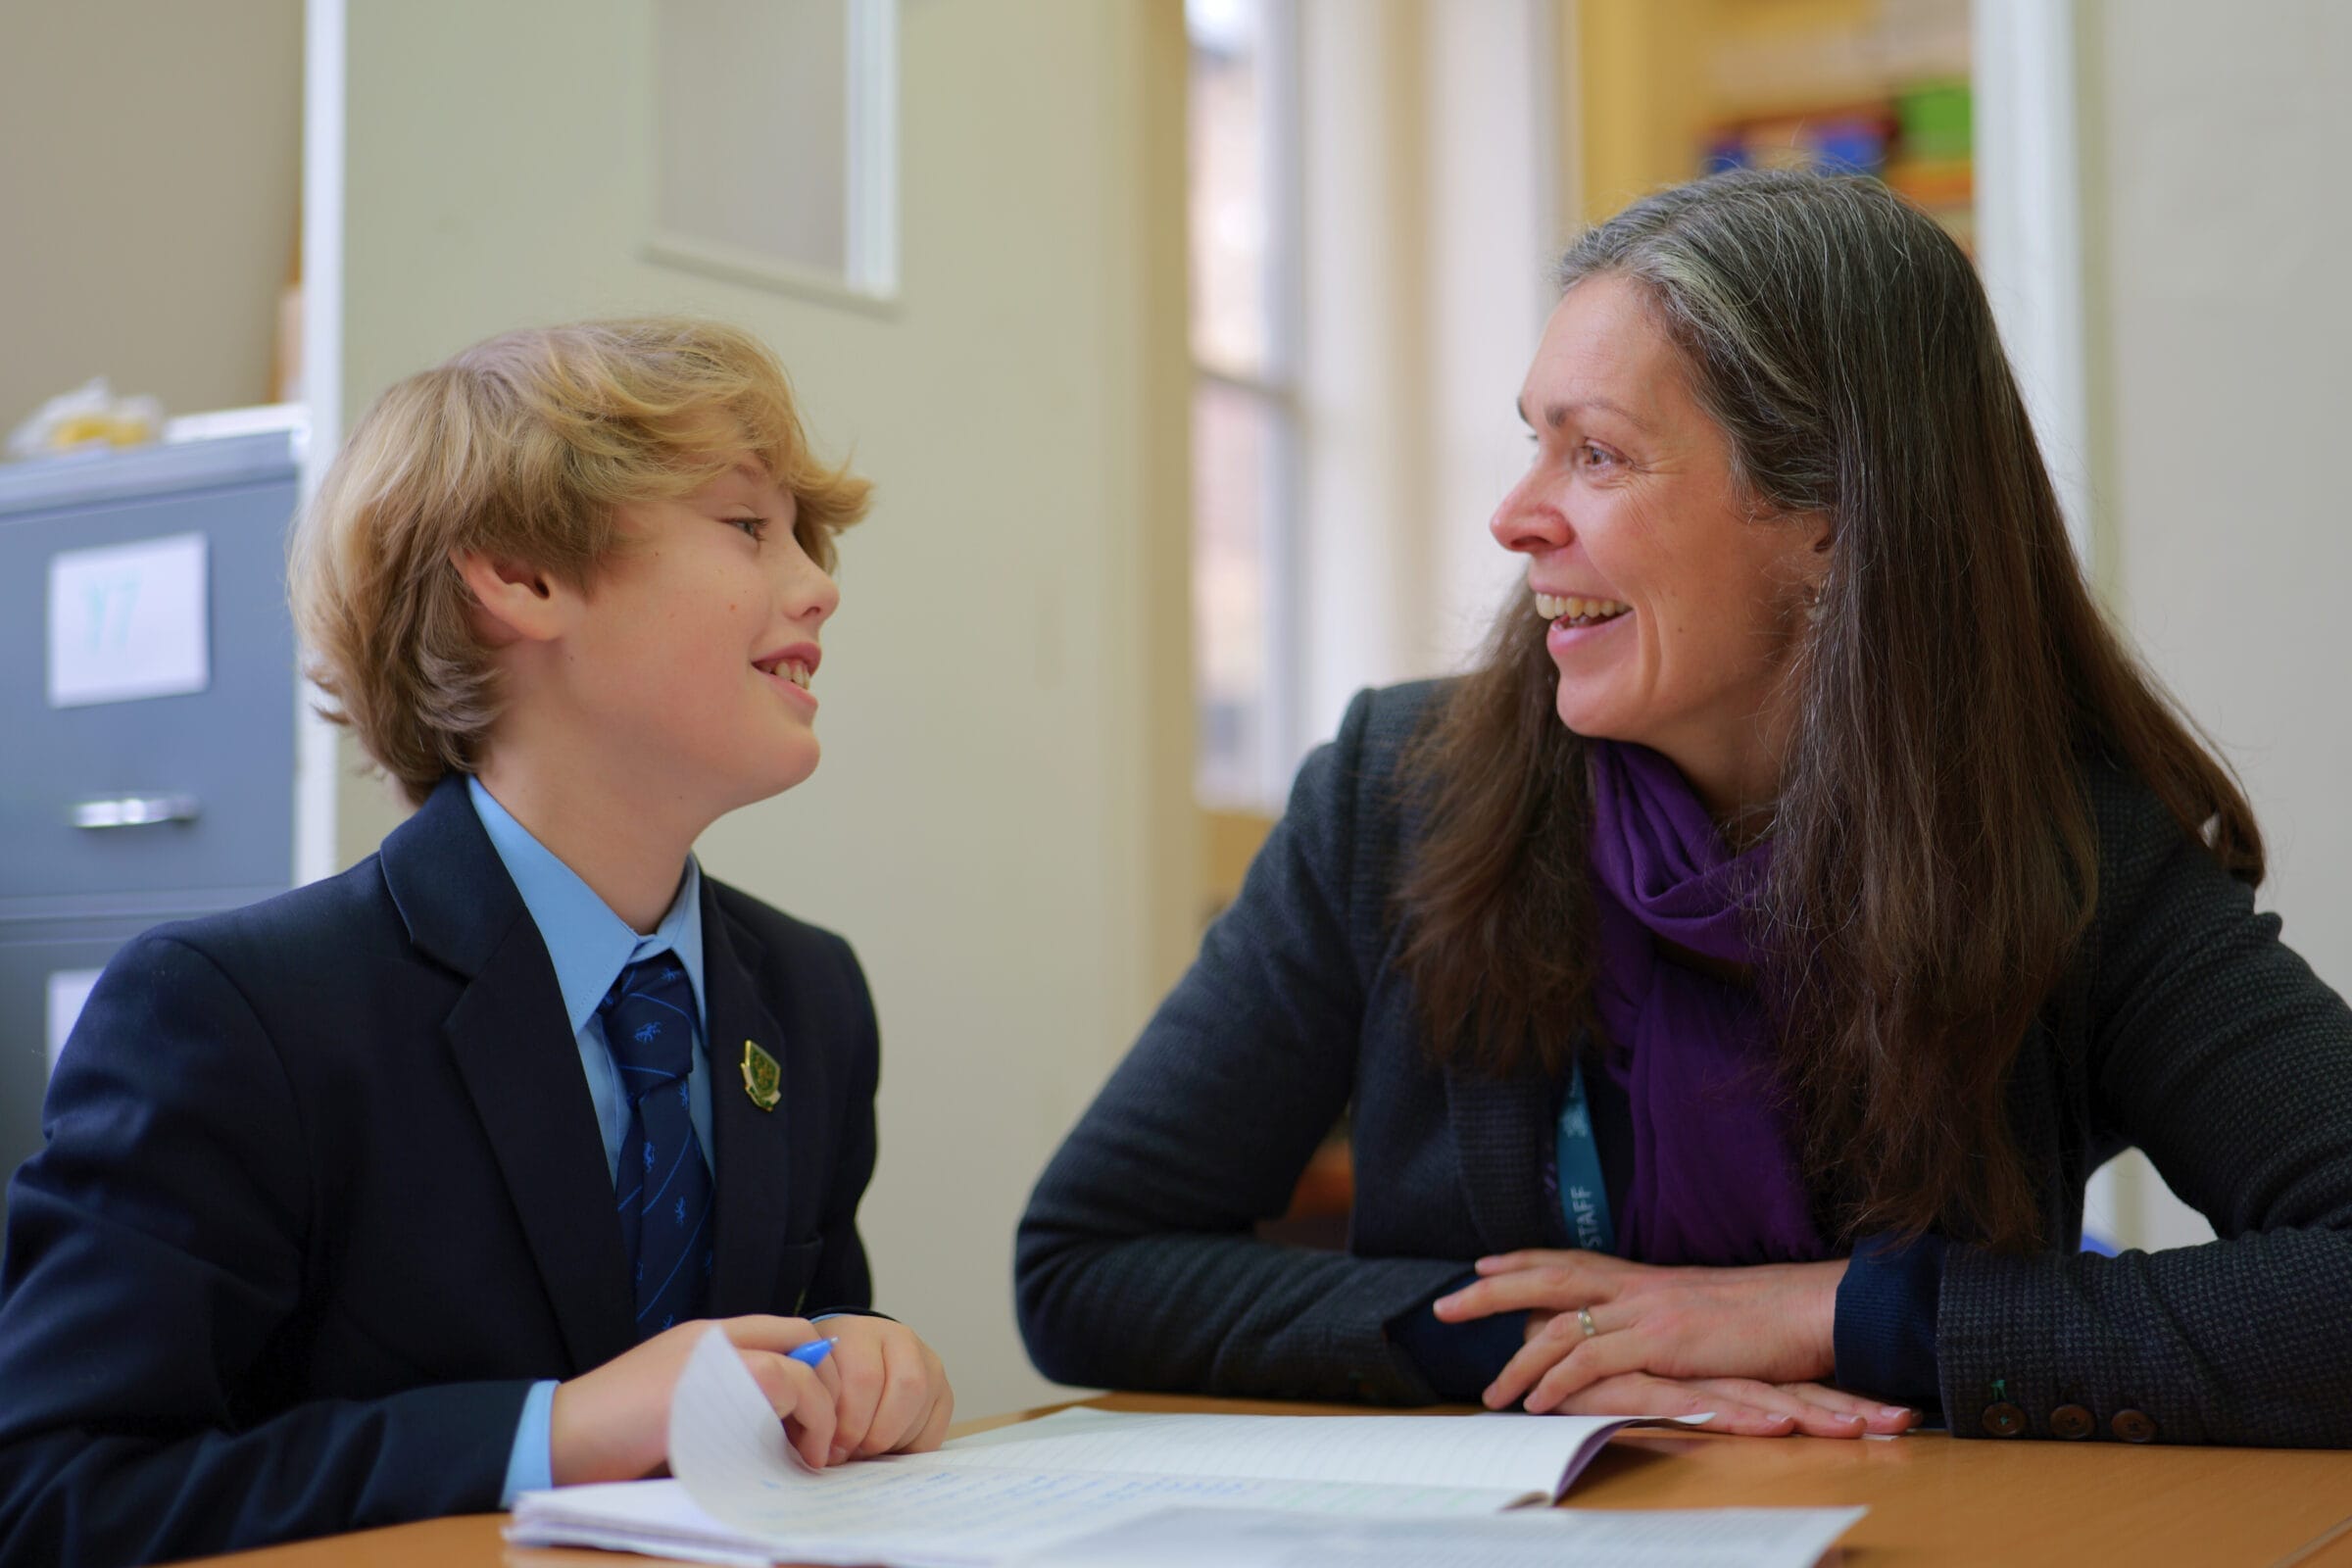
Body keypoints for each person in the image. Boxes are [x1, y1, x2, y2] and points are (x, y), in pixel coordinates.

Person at [1016, 170, 2352, 1447]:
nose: (1514, 517)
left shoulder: (2068, 851)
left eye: (1597, 454)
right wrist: (1555, 1343)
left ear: (1830, 516)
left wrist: (1830, 1315)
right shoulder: (1394, 791)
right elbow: (1086, 1263)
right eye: (1535, 442)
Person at [0, 318, 954, 1565]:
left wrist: (859, 1367)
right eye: (747, 526)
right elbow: (54, 1494)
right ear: (519, 574)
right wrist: (548, 1433)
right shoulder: (233, 1014)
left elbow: (779, 1393)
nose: (818, 583)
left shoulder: (810, 995)